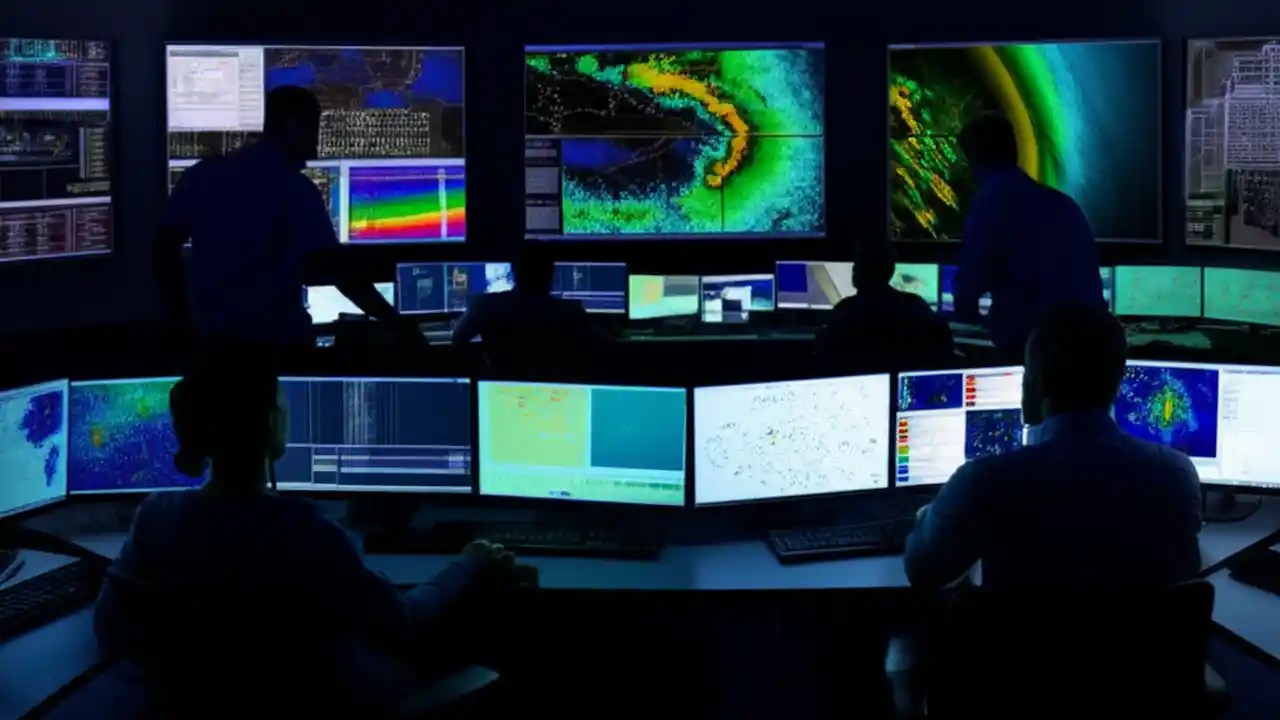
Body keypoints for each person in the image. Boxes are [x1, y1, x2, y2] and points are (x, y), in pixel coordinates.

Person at [93, 352, 531, 717]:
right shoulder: (304, 531)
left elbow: (109, 627)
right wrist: (469, 563)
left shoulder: (155, 517)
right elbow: (401, 622)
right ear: (270, 424)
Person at [905, 305, 1202, 591]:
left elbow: (922, 571)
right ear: (1119, 381)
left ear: (1038, 382)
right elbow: (1184, 576)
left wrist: (929, 517)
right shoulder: (1175, 476)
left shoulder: (984, 483)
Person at [153, 85, 417, 360]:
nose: (316, 146)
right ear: (293, 126)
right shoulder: (294, 189)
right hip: (277, 348)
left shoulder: (202, 175)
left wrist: (179, 322)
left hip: (212, 348)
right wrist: (396, 323)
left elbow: (163, 249)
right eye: (314, 130)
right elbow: (338, 272)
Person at [954, 113, 1107, 361]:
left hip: (1035, 350)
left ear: (974, 159)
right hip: (1091, 348)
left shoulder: (991, 204)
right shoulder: (1063, 205)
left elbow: (968, 290)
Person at [453, 243, 602, 373]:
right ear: (550, 275)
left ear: (514, 274)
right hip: (556, 388)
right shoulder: (571, 312)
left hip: (501, 387)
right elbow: (602, 346)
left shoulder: (485, 306)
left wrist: (484, 367)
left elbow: (457, 338)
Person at [816, 243, 954, 374]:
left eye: (860, 264)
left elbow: (824, 354)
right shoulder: (914, 305)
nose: (854, 269)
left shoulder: (845, 311)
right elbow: (944, 343)